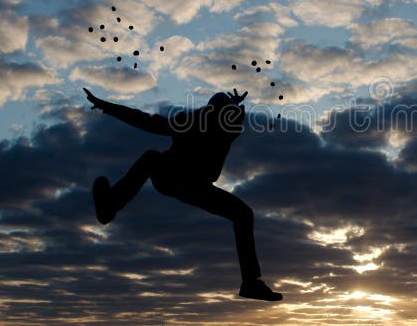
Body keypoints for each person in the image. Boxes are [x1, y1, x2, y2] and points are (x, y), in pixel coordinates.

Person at [83, 87, 282, 302]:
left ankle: (250, 283)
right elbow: (147, 121)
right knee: (151, 158)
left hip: (193, 186)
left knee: (243, 214)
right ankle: (109, 205)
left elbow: (147, 121)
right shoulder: (206, 123)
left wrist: (231, 104)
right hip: (176, 177)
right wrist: (108, 107)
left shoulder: (224, 126)